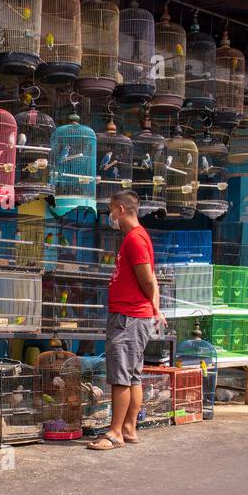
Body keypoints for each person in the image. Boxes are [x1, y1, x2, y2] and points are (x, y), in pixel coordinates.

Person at [88, 189, 164, 451]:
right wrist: (154, 307)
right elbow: (151, 278)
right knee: (132, 377)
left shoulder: (135, 239)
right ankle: (130, 428)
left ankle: (115, 433)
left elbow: (147, 279)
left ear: (120, 209)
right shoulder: (138, 238)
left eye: (111, 209)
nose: (110, 215)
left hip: (129, 318)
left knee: (120, 377)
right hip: (134, 316)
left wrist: (152, 306)